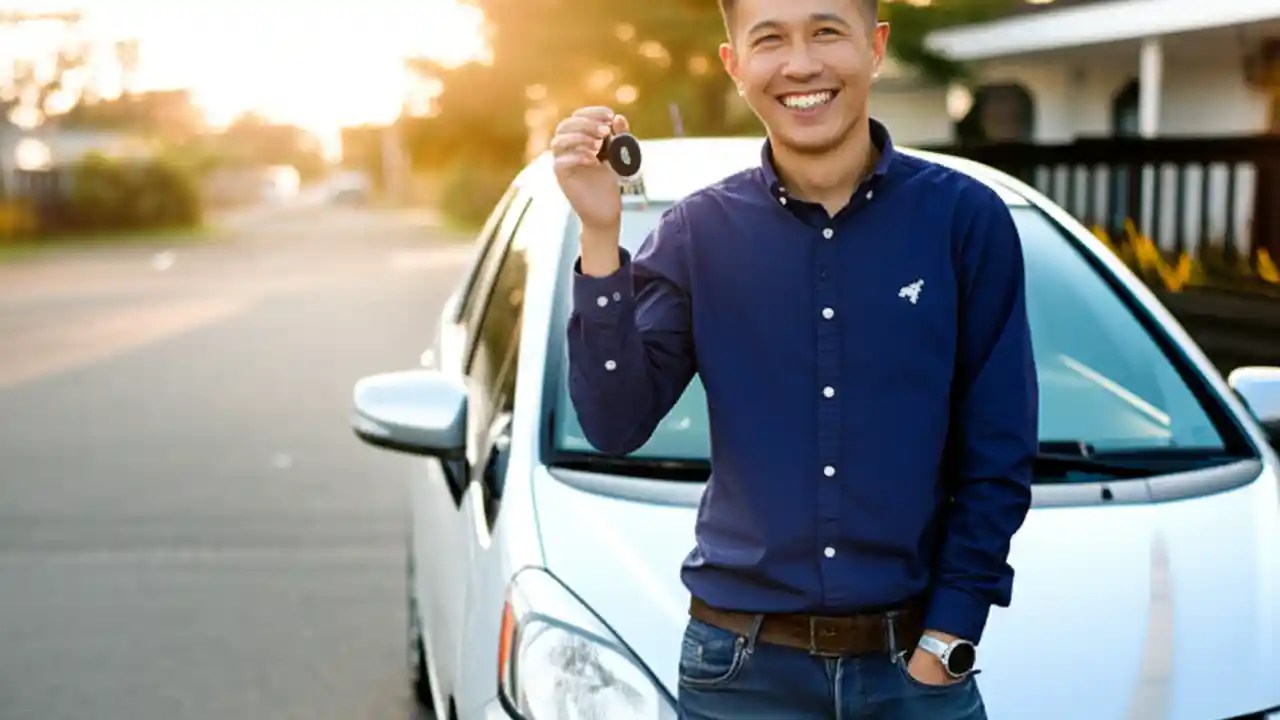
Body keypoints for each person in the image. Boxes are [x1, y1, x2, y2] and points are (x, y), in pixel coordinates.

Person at [553, 0, 1038, 716]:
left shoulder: (966, 222)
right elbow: (614, 422)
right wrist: (600, 234)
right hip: (739, 676)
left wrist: (948, 637)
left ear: (875, 47)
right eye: (770, 39)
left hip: (915, 670)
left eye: (827, 32)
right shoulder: (697, 233)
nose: (801, 63)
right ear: (736, 64)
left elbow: (997, 450)